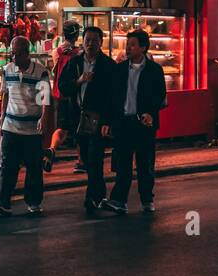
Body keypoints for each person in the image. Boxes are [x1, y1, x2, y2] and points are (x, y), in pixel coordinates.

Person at [105, 28, 167, 214]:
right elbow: (113, 96)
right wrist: (108, 121)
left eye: (132, 45)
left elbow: (160, 95)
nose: (128, 49)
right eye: (127, 45)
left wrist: (151, 112)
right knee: (123, 164)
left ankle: (147, 199)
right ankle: (119, 200)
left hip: (144, 124)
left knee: (145, 164)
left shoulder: (154, 70)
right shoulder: (120, 69)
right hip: (124, 122)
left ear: (143, 47)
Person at [58, 25, 118, 216]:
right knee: (86, 156)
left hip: (98, 119)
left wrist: (108, 121)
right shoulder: (74, 63)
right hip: (78, 119)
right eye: (87, 40)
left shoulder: (108, 66)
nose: (90, 44)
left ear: (101, 42)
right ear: (82, 42)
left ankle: (92, 197)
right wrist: (79, 81)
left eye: (94, 40)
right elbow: (62, 87)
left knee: (95, 157)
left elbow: (113, 96)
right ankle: (99, 195)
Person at [0, 35, 51, 217]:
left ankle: (33, 202)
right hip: (11, 126)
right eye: (12, 53)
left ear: (26, 54)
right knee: (9, 166)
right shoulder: (7, 70)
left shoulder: (40, 72)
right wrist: (1, 119)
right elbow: (6, 94)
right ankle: (4, 202)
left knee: (33, 168)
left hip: (32, 128)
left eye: (15, 54)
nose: (12, 57)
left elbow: (44, 100)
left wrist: (44, 119)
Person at [47, 21, 83, 171]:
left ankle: (51, 149)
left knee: (62, 127)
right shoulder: (80, 52)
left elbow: (54, 71)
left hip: (61, 94)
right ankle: (81, 161)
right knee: (80, 128)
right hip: (76, 94)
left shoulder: (57, 51)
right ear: (76, 34)